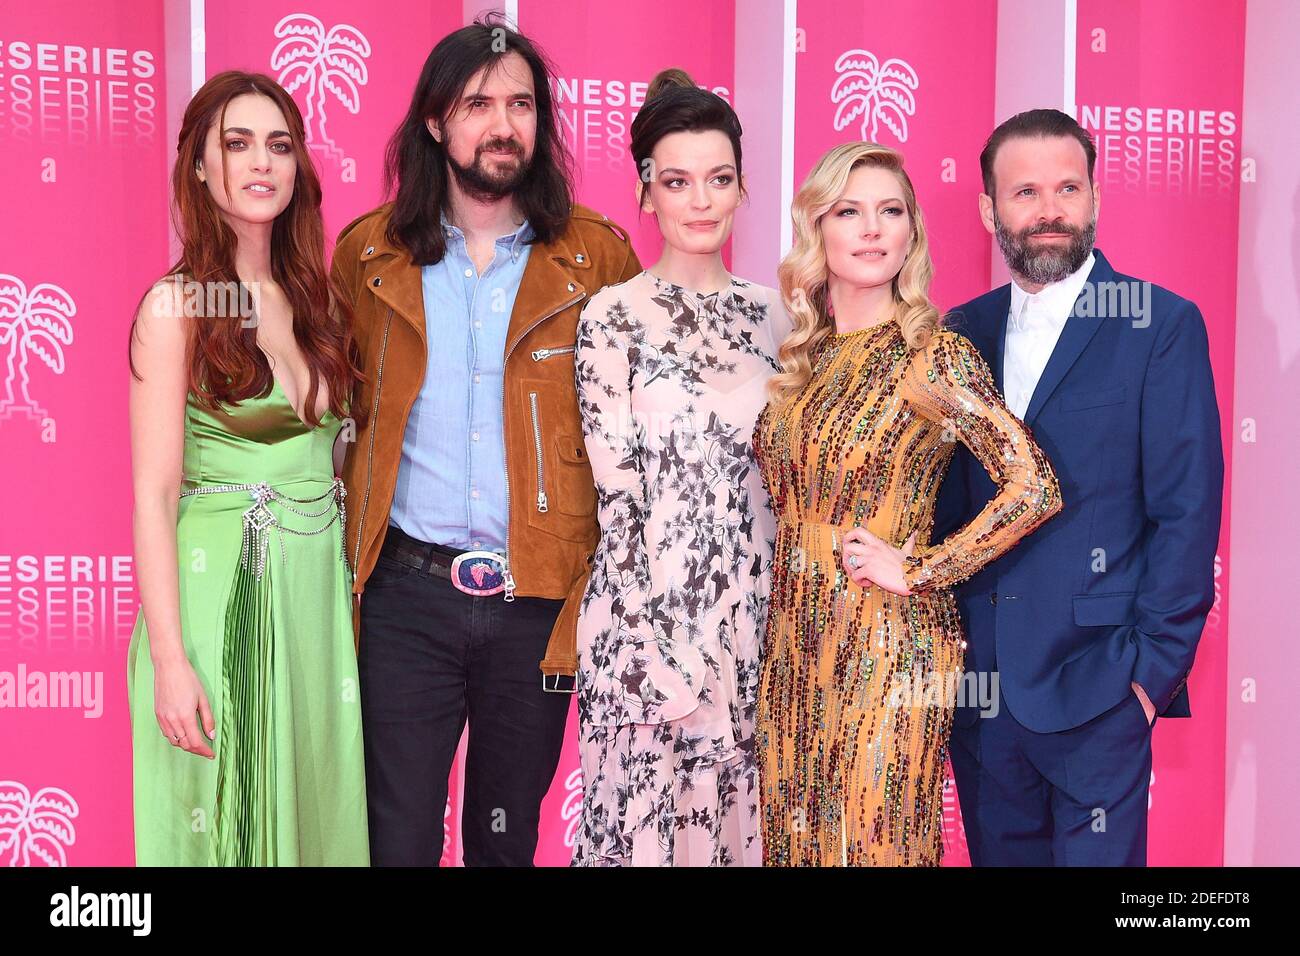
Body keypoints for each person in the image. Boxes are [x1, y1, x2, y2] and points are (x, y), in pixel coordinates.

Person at [331, 16, 640, 866]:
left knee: (504, 843)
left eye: (521, 104)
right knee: (393, 841)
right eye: (477, 104)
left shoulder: (597, 258)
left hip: (534, 602)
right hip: (404, 596)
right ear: (436, 122)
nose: (503, 125)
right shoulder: (368, 256)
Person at [753, 141, 1063, 866]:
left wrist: (922, 568)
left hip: (890, 646)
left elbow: (1034, 485)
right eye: (848, 212)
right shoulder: (809, 355)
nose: (870, 229)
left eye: (890, 211)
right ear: (817, 230)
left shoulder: (931, 354)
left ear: (910, 232)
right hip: (796, 638)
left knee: (874, 845)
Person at [934, 109, 1224, 866]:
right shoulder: (960, 333)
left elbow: (1186, 513)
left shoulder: (1159, 325)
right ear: (988, 209)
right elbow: (948, 515)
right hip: (983, 702)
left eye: (1067, 188)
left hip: (1101, 691)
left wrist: (1148, 680)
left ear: (1094, 197)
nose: (1049, 210)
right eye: (1025, 192)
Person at [126, 71, 368, 866]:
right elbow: (156, 497)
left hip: (313, 606)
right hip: (221, 598)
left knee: (313, 826)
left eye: (279, 144)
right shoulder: (181, 306)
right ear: (199, 165)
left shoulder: (314, 301)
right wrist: (170, 660)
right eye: (236, 143)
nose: (261, 162)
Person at [571, 69, 791, 867]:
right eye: (677, 181)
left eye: (718, 179)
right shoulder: (613, 315)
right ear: (646, 193)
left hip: (761, 630)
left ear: (741, 189)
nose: (700, 200)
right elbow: (617, 500)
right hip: (646, 621)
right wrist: (657, 647)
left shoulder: (782, 315)